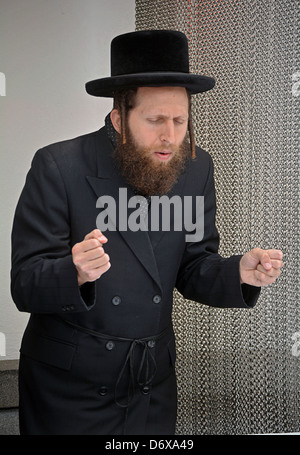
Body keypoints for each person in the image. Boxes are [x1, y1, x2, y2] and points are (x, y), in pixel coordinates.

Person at [11, 30, 283, 435]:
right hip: (69, 392)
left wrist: (237, 273)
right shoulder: (58, 166)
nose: (170, 136)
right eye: (155, 120)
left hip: (150, 385)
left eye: (180, 120)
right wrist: (76, 272)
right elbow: (25, 285)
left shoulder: (196, 167)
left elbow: (193, 266)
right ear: (119, 118)